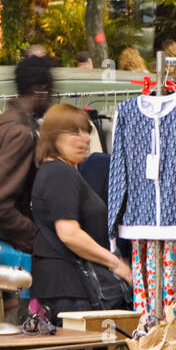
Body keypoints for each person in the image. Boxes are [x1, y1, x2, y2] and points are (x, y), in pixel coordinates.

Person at [29, 104, 132, 322]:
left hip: (65, 287)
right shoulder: (59, 173)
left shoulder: (58, 171)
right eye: (75, 132)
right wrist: (116, 264)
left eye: (87, 131)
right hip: (70, 289)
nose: (85, 138)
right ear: (53, 136)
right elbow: (69, 233)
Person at [0, 55, 55, 255]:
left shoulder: (3, 123)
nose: (52, 97)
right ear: (40, 89)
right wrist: (35, 236)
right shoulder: (21, 133)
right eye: (51, 90)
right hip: (10, 247)